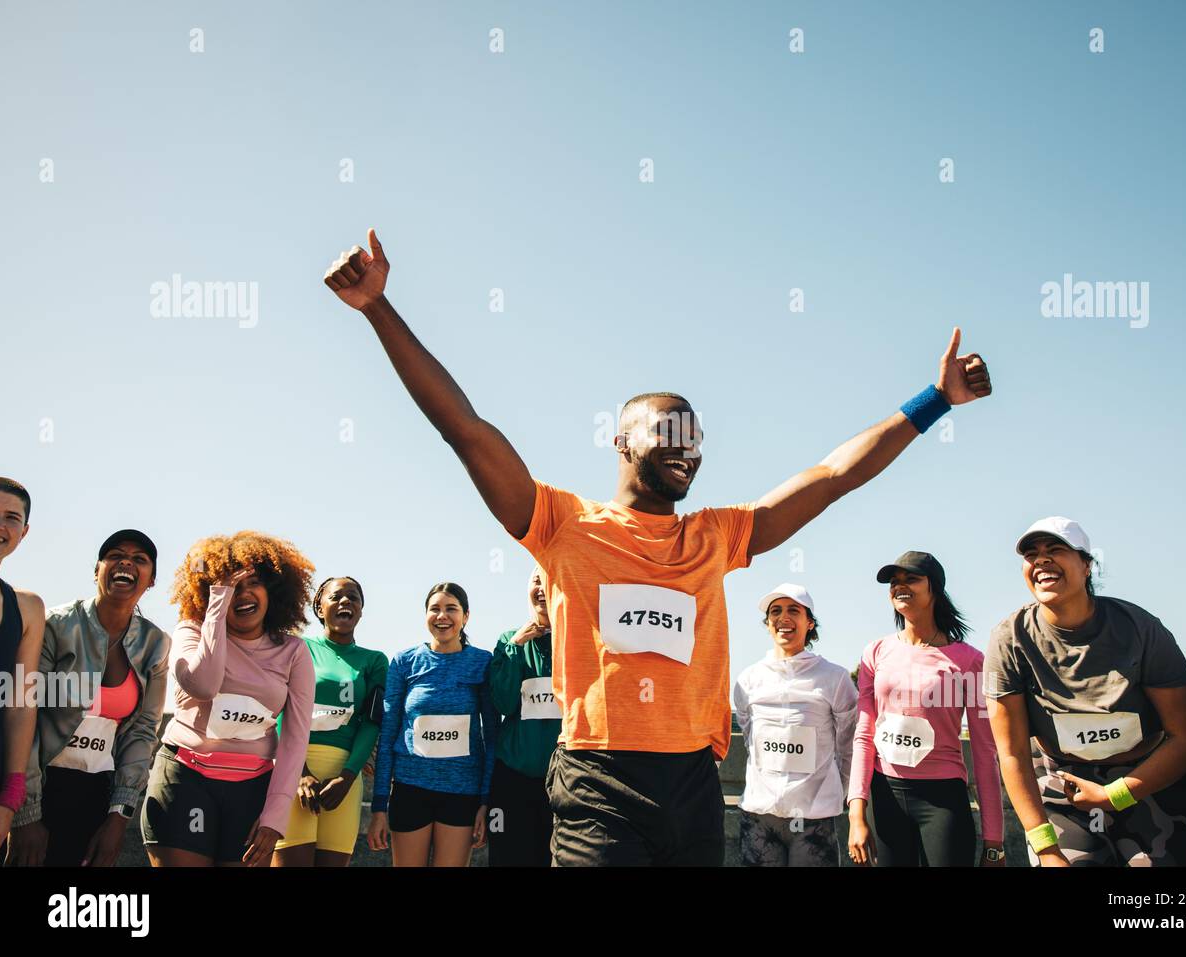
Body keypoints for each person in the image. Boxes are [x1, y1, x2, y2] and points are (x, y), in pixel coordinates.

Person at [323, 228, 992, 865]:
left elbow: (833, 475)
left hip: (692, 783)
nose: (686, 445)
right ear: (620, 441)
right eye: (668, 429)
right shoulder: (560, 522)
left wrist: (937, 399)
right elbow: (466, 429)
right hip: (598, 779)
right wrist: (378, 307)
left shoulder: (717, 535)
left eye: (695, 435)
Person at [984, 517, 1186, 867]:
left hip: (1145, 779)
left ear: (1087, 564)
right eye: (1031, 554)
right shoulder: (1009, 638)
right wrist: (1046, 849)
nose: (1041, 560)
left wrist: (1113, 795)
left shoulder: (1140, 628)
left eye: (1055, 549)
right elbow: (1011, 754)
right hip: (1061, 786)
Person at [140, 532, 315, 867]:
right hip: (185, 776)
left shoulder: (294, 651)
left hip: (252, 788)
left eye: (254, 582)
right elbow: (203, 685)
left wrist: (275, 816)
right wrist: (217, 603)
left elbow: (295, 738)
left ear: (274, 590)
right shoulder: (190, 631)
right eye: (232, 584)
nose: (244, 593)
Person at [8, 530, 170, 867]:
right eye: (114, 555)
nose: (126, 561)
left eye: (139, 559)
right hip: (39, 784)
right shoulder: (55, 625)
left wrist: (118, 816)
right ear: (96, 569)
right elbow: (25, 715)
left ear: (151, 580)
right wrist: (27, 815)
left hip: (96, 791)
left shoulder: (155, 644)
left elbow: (143, 730)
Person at [847, 552, 1002, 868]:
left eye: (911, 579)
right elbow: (864, 735)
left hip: (943, 799)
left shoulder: (970, 661)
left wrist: (995, 842)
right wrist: (855, 814)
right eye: (894, 582)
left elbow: (986, 752)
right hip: (885, 794)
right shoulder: (875, 652)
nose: (899, 587)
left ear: (935, 588)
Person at [368, 583, 498, 866]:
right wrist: (379, 805)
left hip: (462, 792)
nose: (442, 616)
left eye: (451, 609)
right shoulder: (404, 662)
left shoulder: (482, 662)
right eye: (434, 609)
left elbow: (492, 736)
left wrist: (485, 800)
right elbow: (389, 733)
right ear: (425, 615)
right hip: (410, 788)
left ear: (466, 616)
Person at [733, 583, 856, 867]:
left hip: (814, 818)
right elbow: (748, 736)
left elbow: (848, 742)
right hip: (759, 816)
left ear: (809, 623)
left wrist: (844, 793)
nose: (783, 617)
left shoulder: (835, 678)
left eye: (793, 610)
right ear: (767, 625)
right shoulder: (748, 679)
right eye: (775, 611)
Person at [273, 576, 388, 867]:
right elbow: (280, 710)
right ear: (319, 607)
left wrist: (347, 777)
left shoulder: (374, 661)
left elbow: (371, 723)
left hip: (344, 781)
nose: (345, 601)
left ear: (361, 610)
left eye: (354, 597)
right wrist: (299, 773)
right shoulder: (297, 648)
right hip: (294, 773)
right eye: (336, 596)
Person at [487, 566, 561, 866]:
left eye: (549, 580)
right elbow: (502, 702)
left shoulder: (579, 639)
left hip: (563, 780)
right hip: (513, 777)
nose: (542, 588)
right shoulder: (509, 640)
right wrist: (515, 646)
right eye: (535, 581)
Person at [0, 478, 46, 855]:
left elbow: (20, 703)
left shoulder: (27, 608)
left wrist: (11, 797)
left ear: (24, 532)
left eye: (11, 517)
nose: (1, 525)